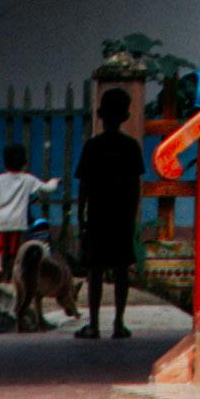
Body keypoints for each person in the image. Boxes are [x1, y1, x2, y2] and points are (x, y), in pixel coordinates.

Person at [74, 81, 152, 339]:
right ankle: (119, 322)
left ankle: (94, 324)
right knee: (121, 270)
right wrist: (132, 215)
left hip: (98, 214)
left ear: (99, 114)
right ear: (126, 116)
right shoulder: (131, 147)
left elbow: (84, 186)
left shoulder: (92, 147)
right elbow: (134, 186)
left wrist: (80, 217)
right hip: (121, 215)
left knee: (94, 271)